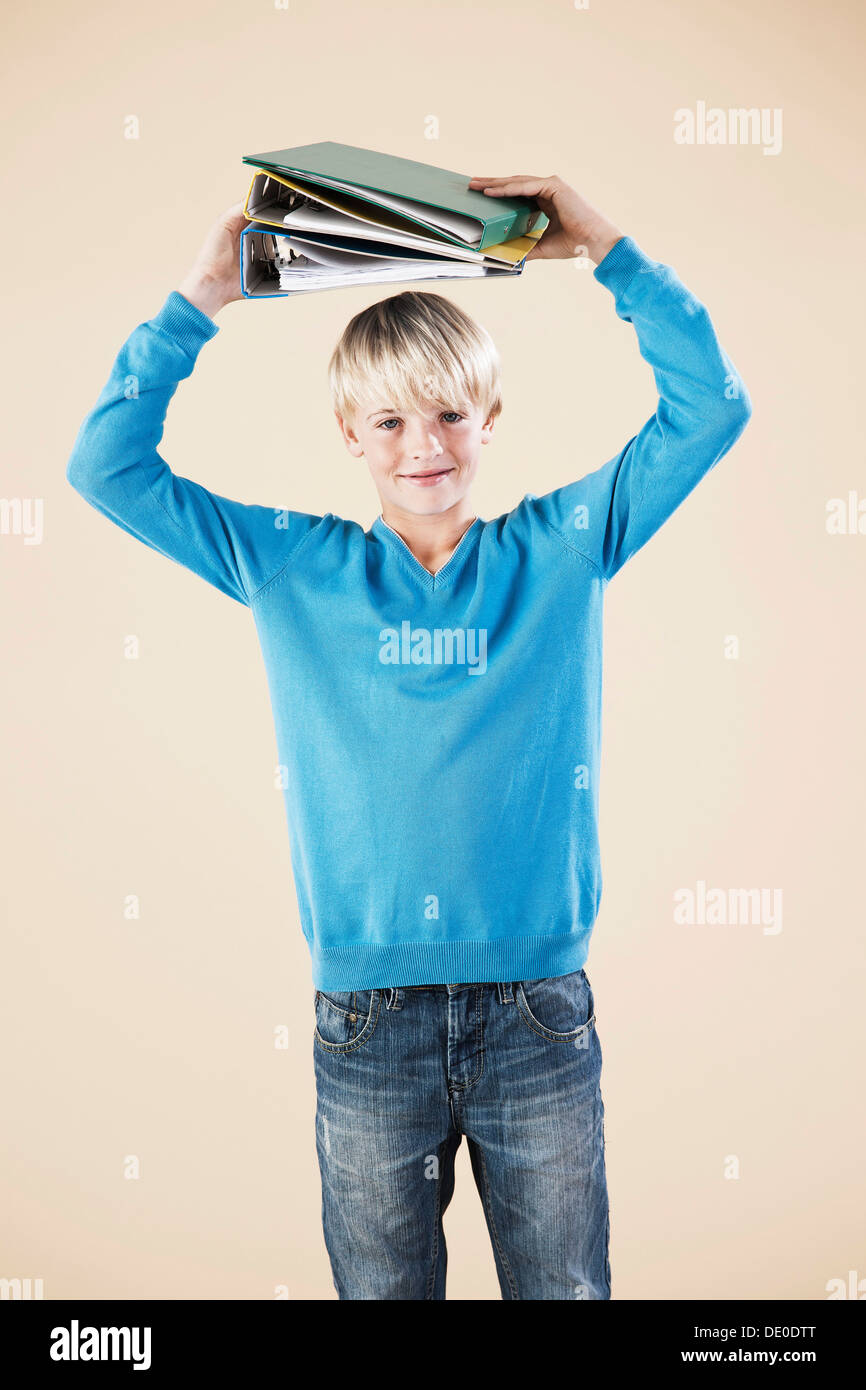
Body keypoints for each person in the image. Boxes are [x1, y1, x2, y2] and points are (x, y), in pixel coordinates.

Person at [65, 173, 752, 1300]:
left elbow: (709, 407)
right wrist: (201, 297)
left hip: (536, 1008)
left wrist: (598, 243)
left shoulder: (563, 545)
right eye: (387, 420)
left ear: (490, 420)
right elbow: (105, 467)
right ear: (349, 434)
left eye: (445, 413)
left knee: (565, 1291)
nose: (420, 444)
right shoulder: (292, 563)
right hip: (366, 1023)